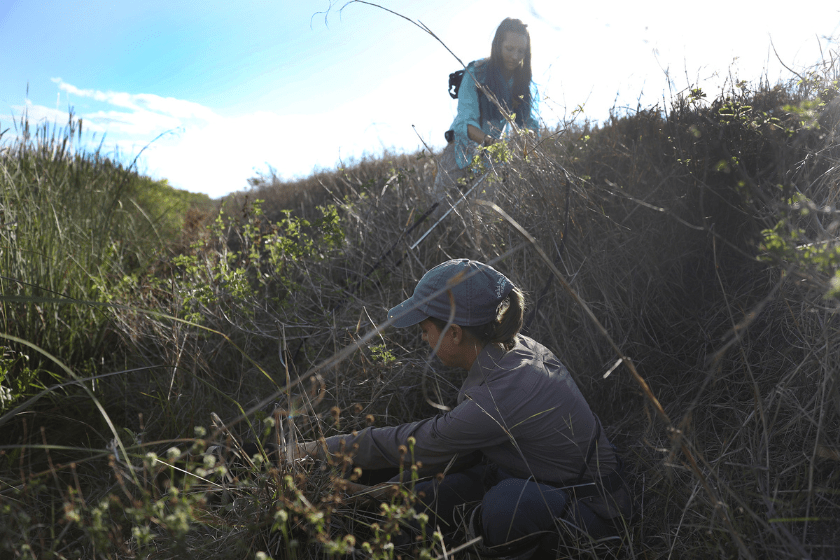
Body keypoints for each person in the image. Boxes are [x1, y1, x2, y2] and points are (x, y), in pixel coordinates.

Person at [296, 259, 635, 558]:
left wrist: (311, 449)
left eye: (425, 330)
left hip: (596, 517)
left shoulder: (499, 396)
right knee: (417, 500)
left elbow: (413, 442)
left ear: (454, 333)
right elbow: (455, 449)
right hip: (537, 479)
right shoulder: (515, 348)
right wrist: (382, 490)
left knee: (506, 505)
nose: (424, 340)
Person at [432, 18, 541, 205]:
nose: (515, 56)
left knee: (484, 216)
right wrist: (492, 144)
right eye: (509, 49)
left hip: (493, 161)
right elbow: (465, 121)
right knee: (442, 212)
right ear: (498, 45)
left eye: (521, 51)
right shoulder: (476, 72)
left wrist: (526, 137)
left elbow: (529, 124)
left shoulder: (523, 84)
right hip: (461, 152)